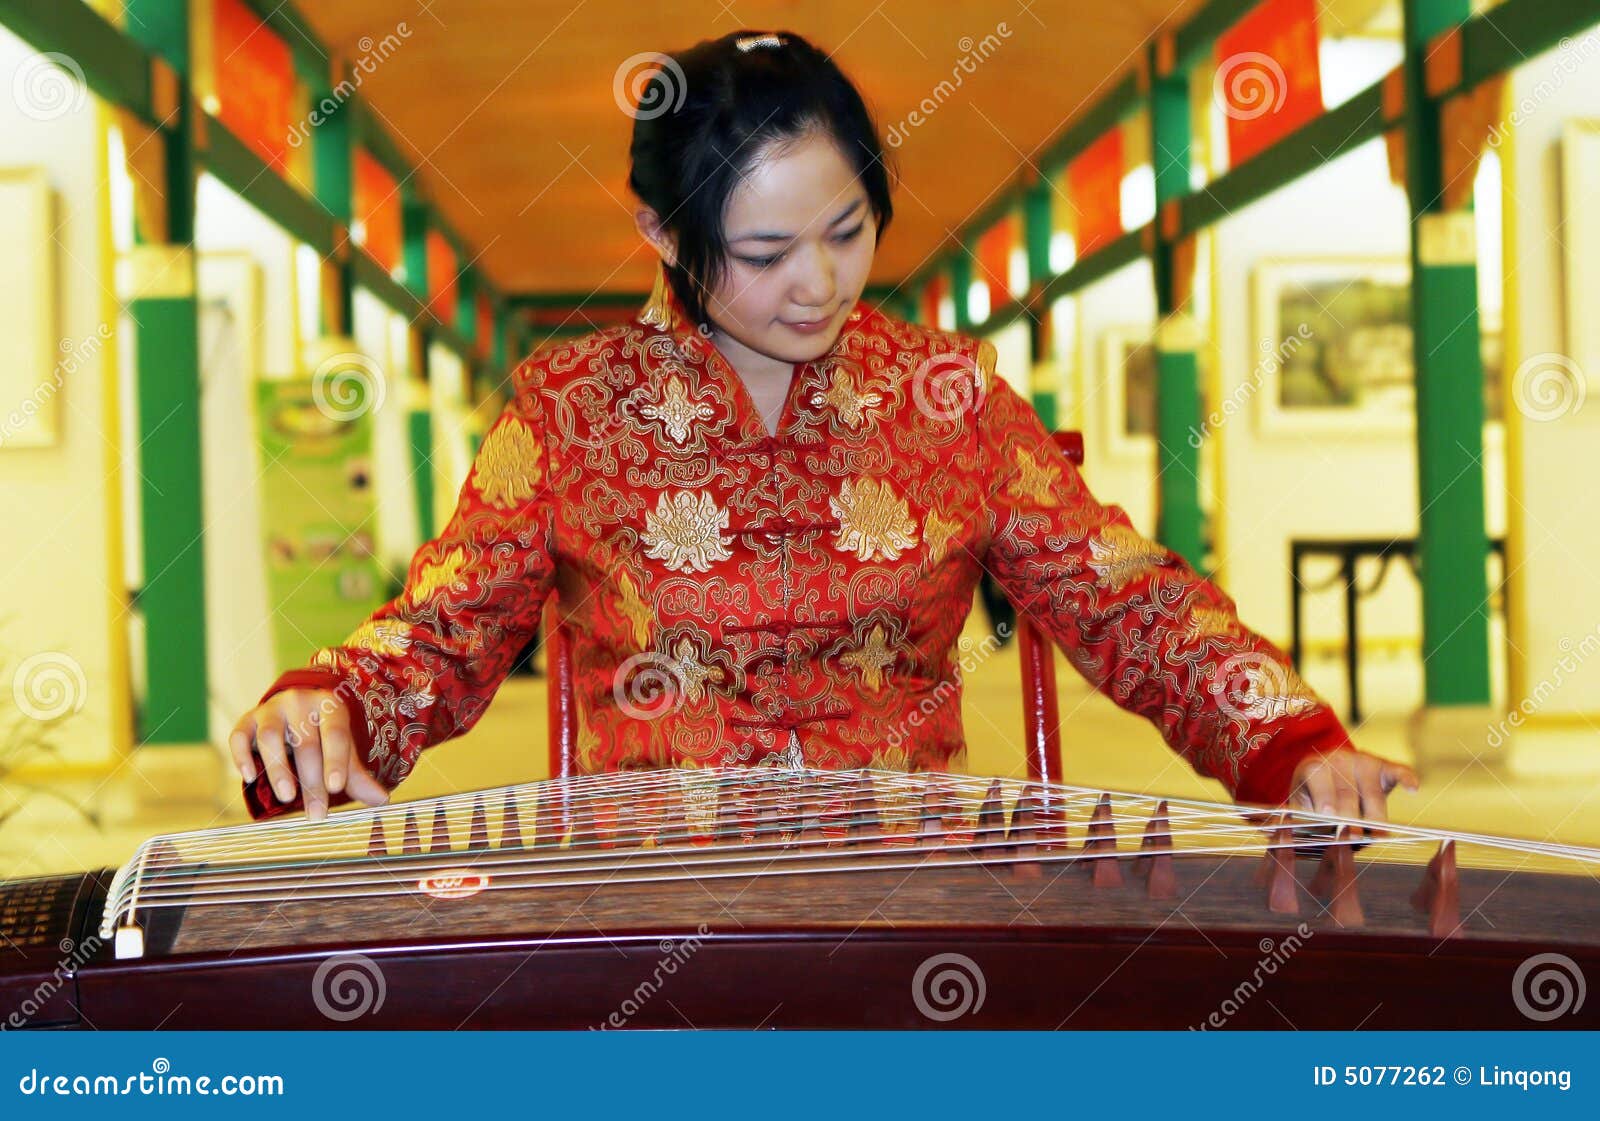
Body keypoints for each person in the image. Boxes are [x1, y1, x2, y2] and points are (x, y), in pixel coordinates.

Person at [228, 29, 1417, 827]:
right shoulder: (571, 407)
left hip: (908, 889)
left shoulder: (945, 395)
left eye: (847, 230)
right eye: (762, 252)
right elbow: (442, 629)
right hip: (650, 903)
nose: (818, 283)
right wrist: (326, 709)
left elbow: (1123, 594)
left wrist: (1289, 743)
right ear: (657, 230)